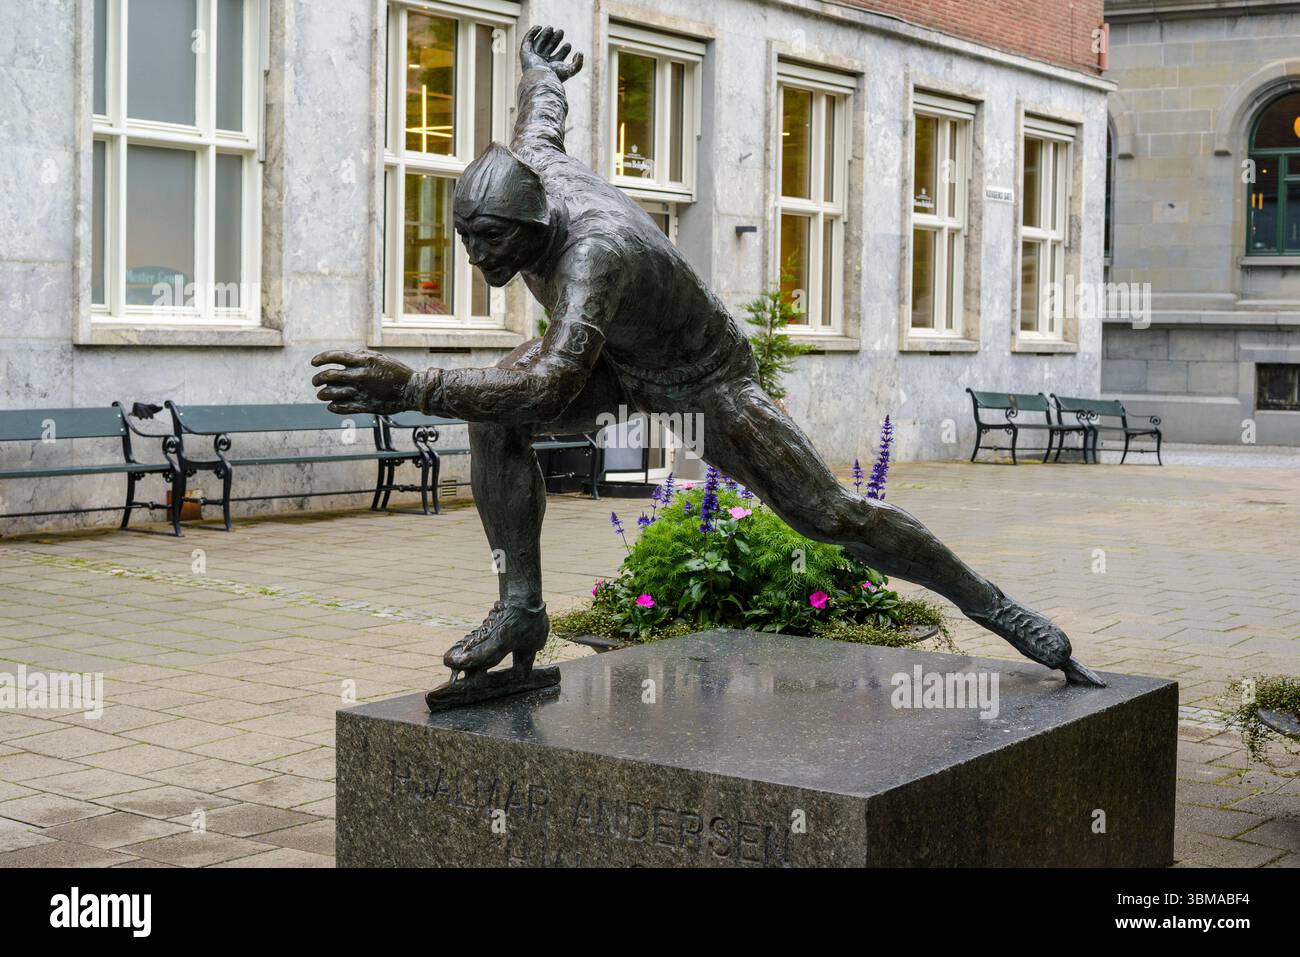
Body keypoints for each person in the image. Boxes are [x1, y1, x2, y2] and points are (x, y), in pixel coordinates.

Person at [312, 25, 1104, 689]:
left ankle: (996, 607)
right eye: (467, 242)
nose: (480, 263)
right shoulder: (531, 170)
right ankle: (521, 604)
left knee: (831, 517)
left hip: (704, 380)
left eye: (494, 245)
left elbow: (548, 380)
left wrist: (414, 383)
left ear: (537, 221)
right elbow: (542, 114)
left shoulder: (595, 256)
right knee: (495, 422)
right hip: (616, 364)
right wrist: (542, 68)